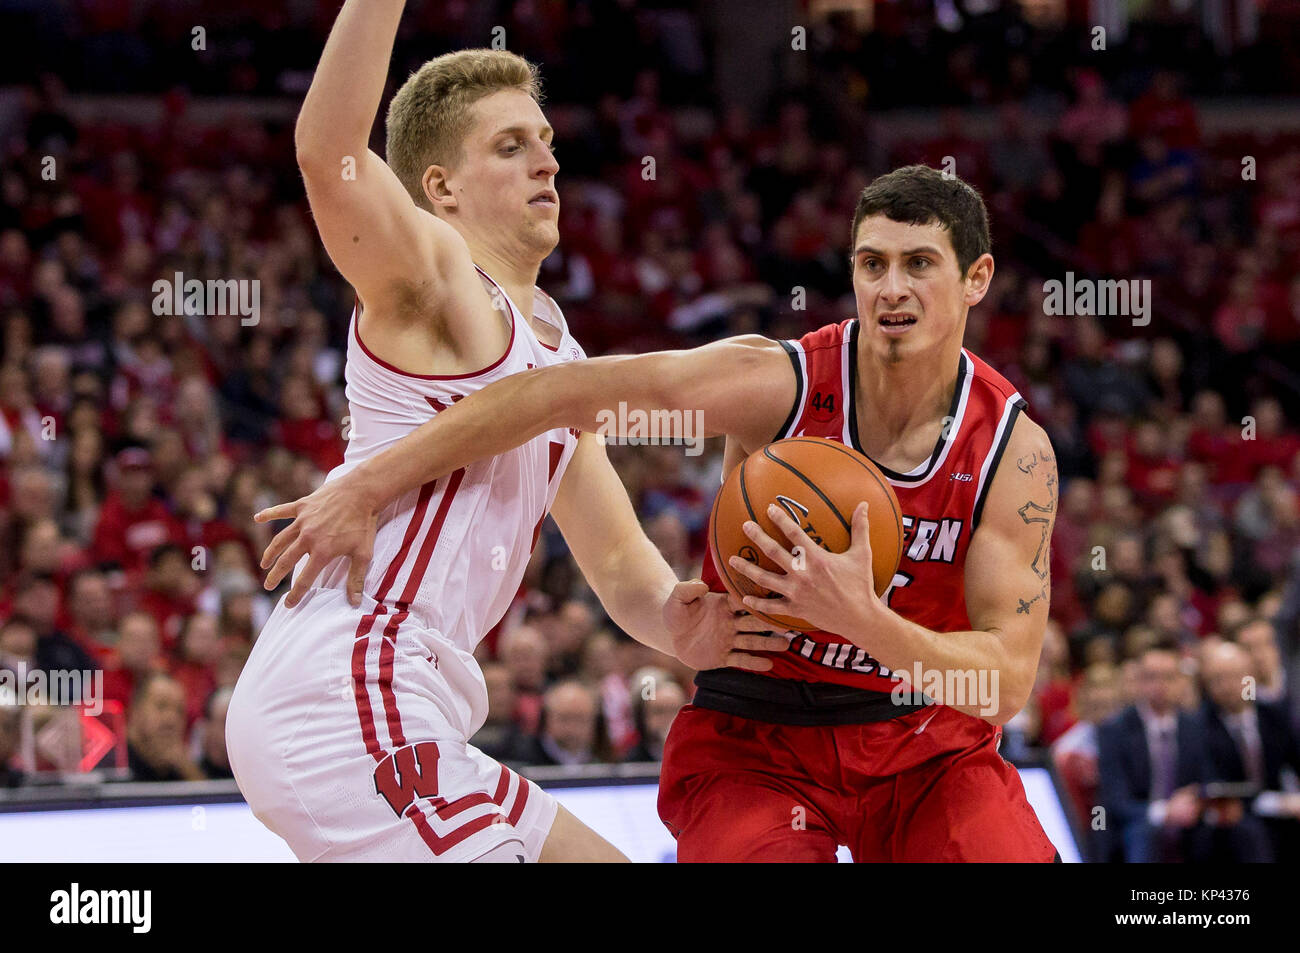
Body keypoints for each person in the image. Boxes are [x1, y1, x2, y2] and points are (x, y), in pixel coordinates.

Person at [257, 165, 1062, 861]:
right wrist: (367, 483)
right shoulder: (776, 385)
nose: (892, 288)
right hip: (760, 733)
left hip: (923, 741)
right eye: (872, 263)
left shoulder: (1013, 455)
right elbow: (555, 394)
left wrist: (860, 618)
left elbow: (1005, 681)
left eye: (919, 264)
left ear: (977, 277)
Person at [226, 0, 782, 865]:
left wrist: (684, 624)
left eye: (547, 141)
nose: (547, 162)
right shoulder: (441, 281)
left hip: (420, 707)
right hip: (348, 689)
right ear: (440, 188)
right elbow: (326, 155)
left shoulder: (559, 353)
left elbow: (622, 570)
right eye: (511, 146)